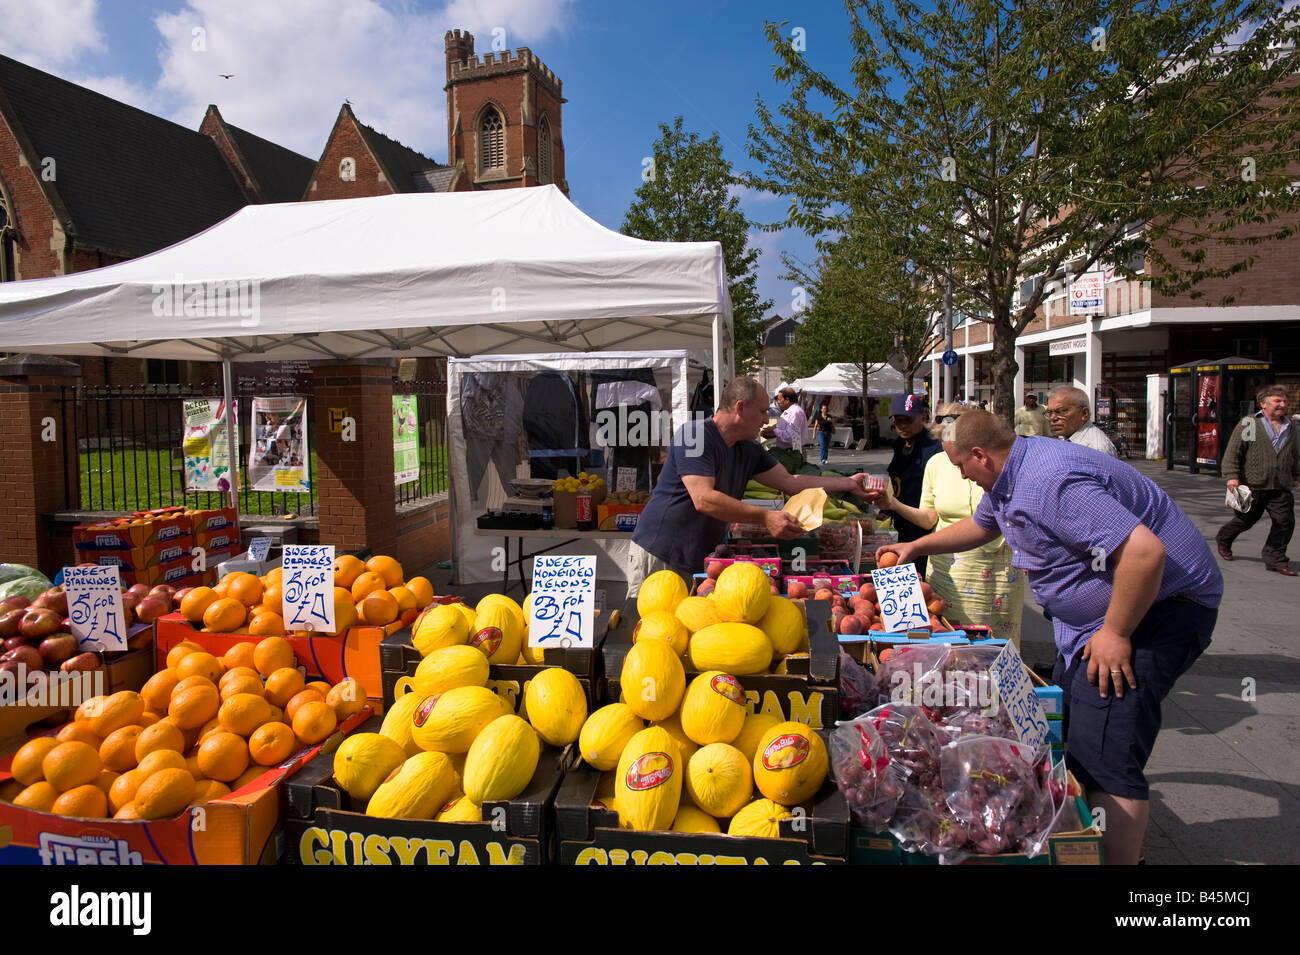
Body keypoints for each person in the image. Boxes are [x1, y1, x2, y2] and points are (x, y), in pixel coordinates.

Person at [876, 410, 1222, 865]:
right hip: (1093, 625)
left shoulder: (1047, 482)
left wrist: (1116, 633)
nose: (960, 473)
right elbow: (984, 525)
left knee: (1106, 753)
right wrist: (916, 547)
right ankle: (1079, 842)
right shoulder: (1010, 474)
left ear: (981, 455)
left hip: (1158, 612)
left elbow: (1143, 553)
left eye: (960, 465)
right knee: (1073, 731)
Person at [628, 377, 873, 594]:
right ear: (740, 408)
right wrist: (766, 517)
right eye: (763, 411)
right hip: (660, 553)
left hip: (700, 561)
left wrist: (847, 483)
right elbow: (703, 498)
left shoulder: (749, 448)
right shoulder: (695, 435)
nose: (767, 420)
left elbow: (789, 482)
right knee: (650, 632)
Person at [869, 403, 1026, 645]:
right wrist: (894, 505)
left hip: (998, 570)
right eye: (942, 419)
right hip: (949, 569)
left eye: (955, 419)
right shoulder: (936, 463)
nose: (948, 425)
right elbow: (930, 517)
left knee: (997, 644)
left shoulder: (994, 462)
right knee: (951, 642)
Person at [1216, 385, 1299, 575]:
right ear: (1263, 403)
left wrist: (1296, 476)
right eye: (1277, 401)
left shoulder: (1290, 426)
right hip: (1253, 484)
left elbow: (1294, 454)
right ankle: (1224, 538)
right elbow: (1233, 452)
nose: (1282, 405)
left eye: (1284, 401)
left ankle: (1276, 559)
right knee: (1246, 520)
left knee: (1284, 522)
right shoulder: (1250, 424)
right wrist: (1232, 476)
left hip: (1280, 485)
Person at [879, 393, 944, 578]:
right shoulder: (899, 445)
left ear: (923, 417)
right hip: (900, 519)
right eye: (899, 421)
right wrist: (888, 511)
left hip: (924, 522)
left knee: (921, 574)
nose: (903, 426)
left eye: (908, 420)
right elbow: (896, 479)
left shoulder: (935, 447)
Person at [1046, 386, 1117, 457]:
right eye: (1049, 413)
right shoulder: (1066, 438)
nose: (1053, 418)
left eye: (1060, 411)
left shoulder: (1096, 449)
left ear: (1084, 413)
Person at [761, 387, 808, 451]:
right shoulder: (789, 411)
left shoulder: (795, 412)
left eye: (780, 399)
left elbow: (792, 436)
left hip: (792, 452)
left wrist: (774, 431)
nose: (778, 402)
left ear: (787, 400)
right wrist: (772, 434)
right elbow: (785, 433)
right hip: (788, 451)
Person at [812, 398, 834, 467]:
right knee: (822, 446)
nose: (825, 410)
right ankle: (822, 459)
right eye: (824, 408)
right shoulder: (818, 417)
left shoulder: (829, 416)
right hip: (821, 432)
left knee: (826, 447)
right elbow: (815, 426)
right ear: (821, 410)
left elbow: (832, 424)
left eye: (826, 408)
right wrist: (814, 435)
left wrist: (831, 421)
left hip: (828, 433)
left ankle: (825, 459)